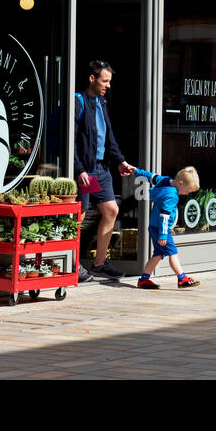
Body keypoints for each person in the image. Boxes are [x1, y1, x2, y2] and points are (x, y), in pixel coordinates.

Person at [75, 60, 134, 281]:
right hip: (85, 171)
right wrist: (78, 168)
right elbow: (70, 140)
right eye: (105, 80)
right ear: (92, 78)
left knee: (110, 210)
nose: (108, 85)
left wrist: (119, 160)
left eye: (109, 81)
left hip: (100, 169)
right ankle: (73, 266)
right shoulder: (78, 102)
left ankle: (99, 263)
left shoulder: (101, 102)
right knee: (78, 218)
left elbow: (108, 135)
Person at [132, 166, 201, 289]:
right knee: (172, 252)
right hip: (161, 229)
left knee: (158, 254)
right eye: (187, 191)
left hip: (154, 227)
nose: (186, 194)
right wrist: (163, 234)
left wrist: (136, 171)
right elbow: (164, 216)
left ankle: (143, 280)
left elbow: (151, 176)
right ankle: (182, 278)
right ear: (180, 183)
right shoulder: (172, 196)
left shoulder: (165, 181)